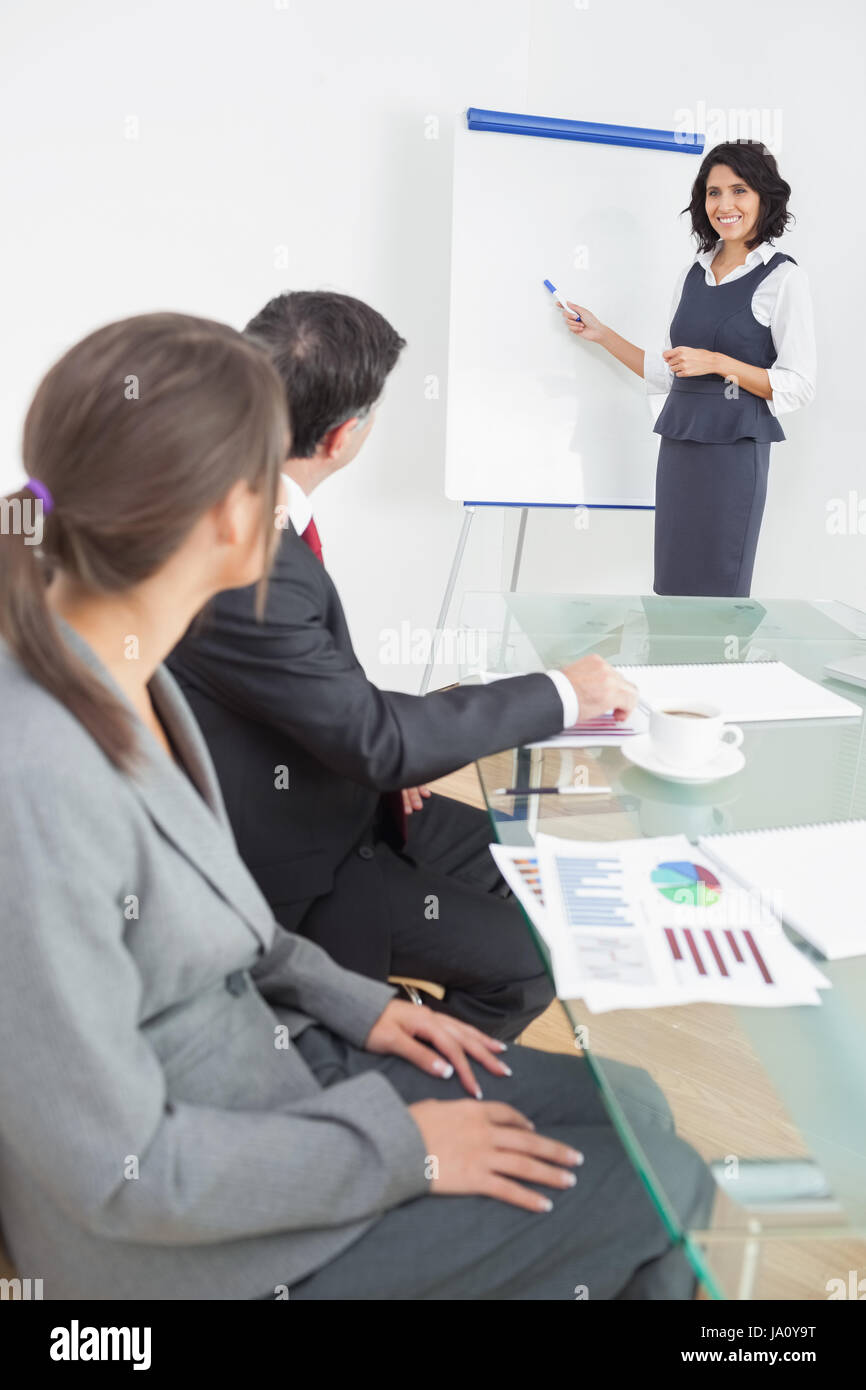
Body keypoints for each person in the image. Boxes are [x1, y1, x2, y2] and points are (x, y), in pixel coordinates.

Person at [0, 312, 713, 1300]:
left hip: (268, 1064)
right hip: (191, 1224)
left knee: (633, 1104)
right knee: (664, 1183)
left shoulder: (129, 671)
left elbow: (221, 928)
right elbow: (118, 1174)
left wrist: (363, 1005)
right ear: (231, 517)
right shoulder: (37, 775)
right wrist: (404, 1149)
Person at [168, 290, 637, 1041]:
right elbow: (376, 737)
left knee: (534, 869)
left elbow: (309, 685)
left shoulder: (227, 496)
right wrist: (562, 693)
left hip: (346, 787)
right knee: (533, 962)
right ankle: (385, 1066)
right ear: (343, 437)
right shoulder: (252, 553)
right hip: (297, 860)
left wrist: (385, 751)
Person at [559, 140, 816, 598]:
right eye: (714, 192)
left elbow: (798, 385)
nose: (725, 205)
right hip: (679, 450)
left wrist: (718, 363)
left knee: (721, 589)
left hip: (735, 453)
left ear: (764, 197)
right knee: (673, 587)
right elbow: (669, 370)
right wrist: (602, 333)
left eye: (739, 190)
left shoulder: (782, 277)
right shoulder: (692, 274)